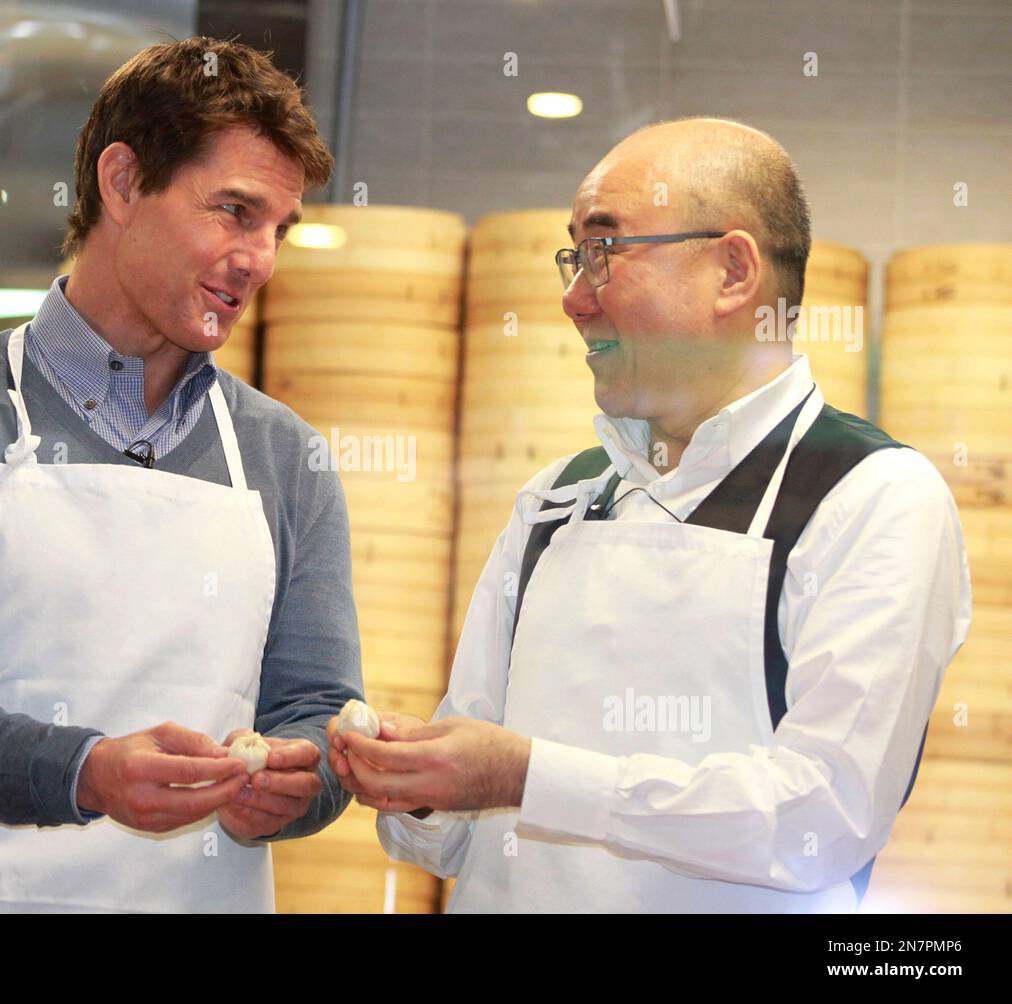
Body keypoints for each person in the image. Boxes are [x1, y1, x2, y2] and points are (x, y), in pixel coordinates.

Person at [329, 117, 972, 913]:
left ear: (732, 271)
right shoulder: (555, 499)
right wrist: (419, 788)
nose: (572, 298)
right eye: (573, 256)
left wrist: (529, 775)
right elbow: (459, 839)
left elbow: (822, 818)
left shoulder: (872, 496)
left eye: (604, 252)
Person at [0, 37, 362, 913]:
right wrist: (87, 772)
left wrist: (301, 788)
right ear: (122, 182)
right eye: (233, 211)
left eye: (277, 230)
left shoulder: (284, 457)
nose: (261, 258)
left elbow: (319, 707)